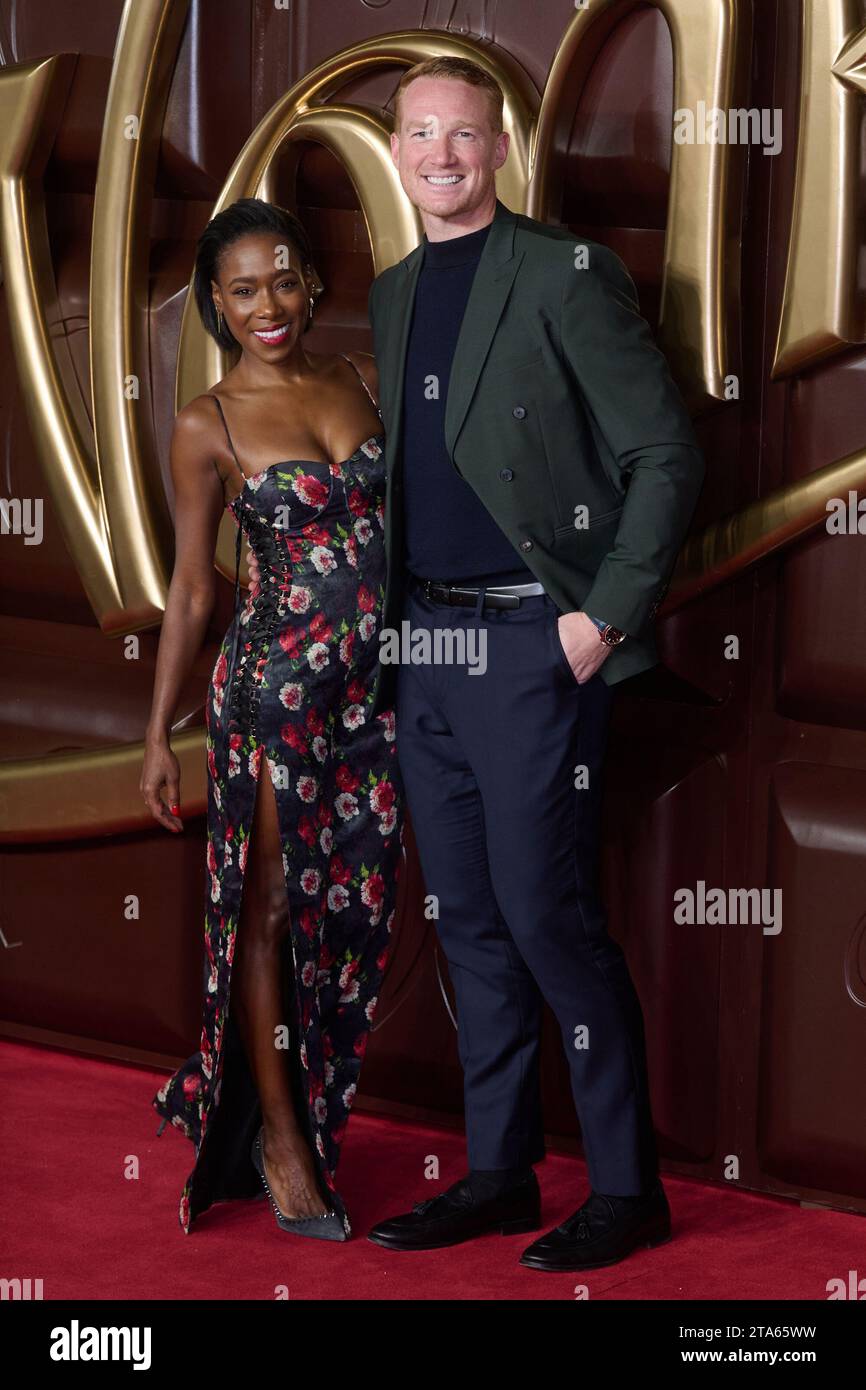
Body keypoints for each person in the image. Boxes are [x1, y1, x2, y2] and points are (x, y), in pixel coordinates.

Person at [358, 56, 705, 1271]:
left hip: (528, 642)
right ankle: (498, 1173)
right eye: (418, 135)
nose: (440, 155)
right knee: (467, 925)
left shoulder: (560, 273)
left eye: (463, 134)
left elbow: (665, 452)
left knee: (548, 918)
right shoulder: (395, 291)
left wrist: (596, 622)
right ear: (395, 151)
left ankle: (625, 1188)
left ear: (499, 148)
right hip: (428, 645)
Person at [141, 197, 403, 1240]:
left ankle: (299, 1104)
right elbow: (196, 589)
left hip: (372, 695)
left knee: (356, 909)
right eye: (243, 288)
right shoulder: (206, 421)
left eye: (283, 279)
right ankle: (280, 1140)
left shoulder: (358, 380)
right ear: (215, 302)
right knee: (272, 910)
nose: (270, 304)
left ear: (311, 282)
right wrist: (158, 730)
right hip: (269, 700)